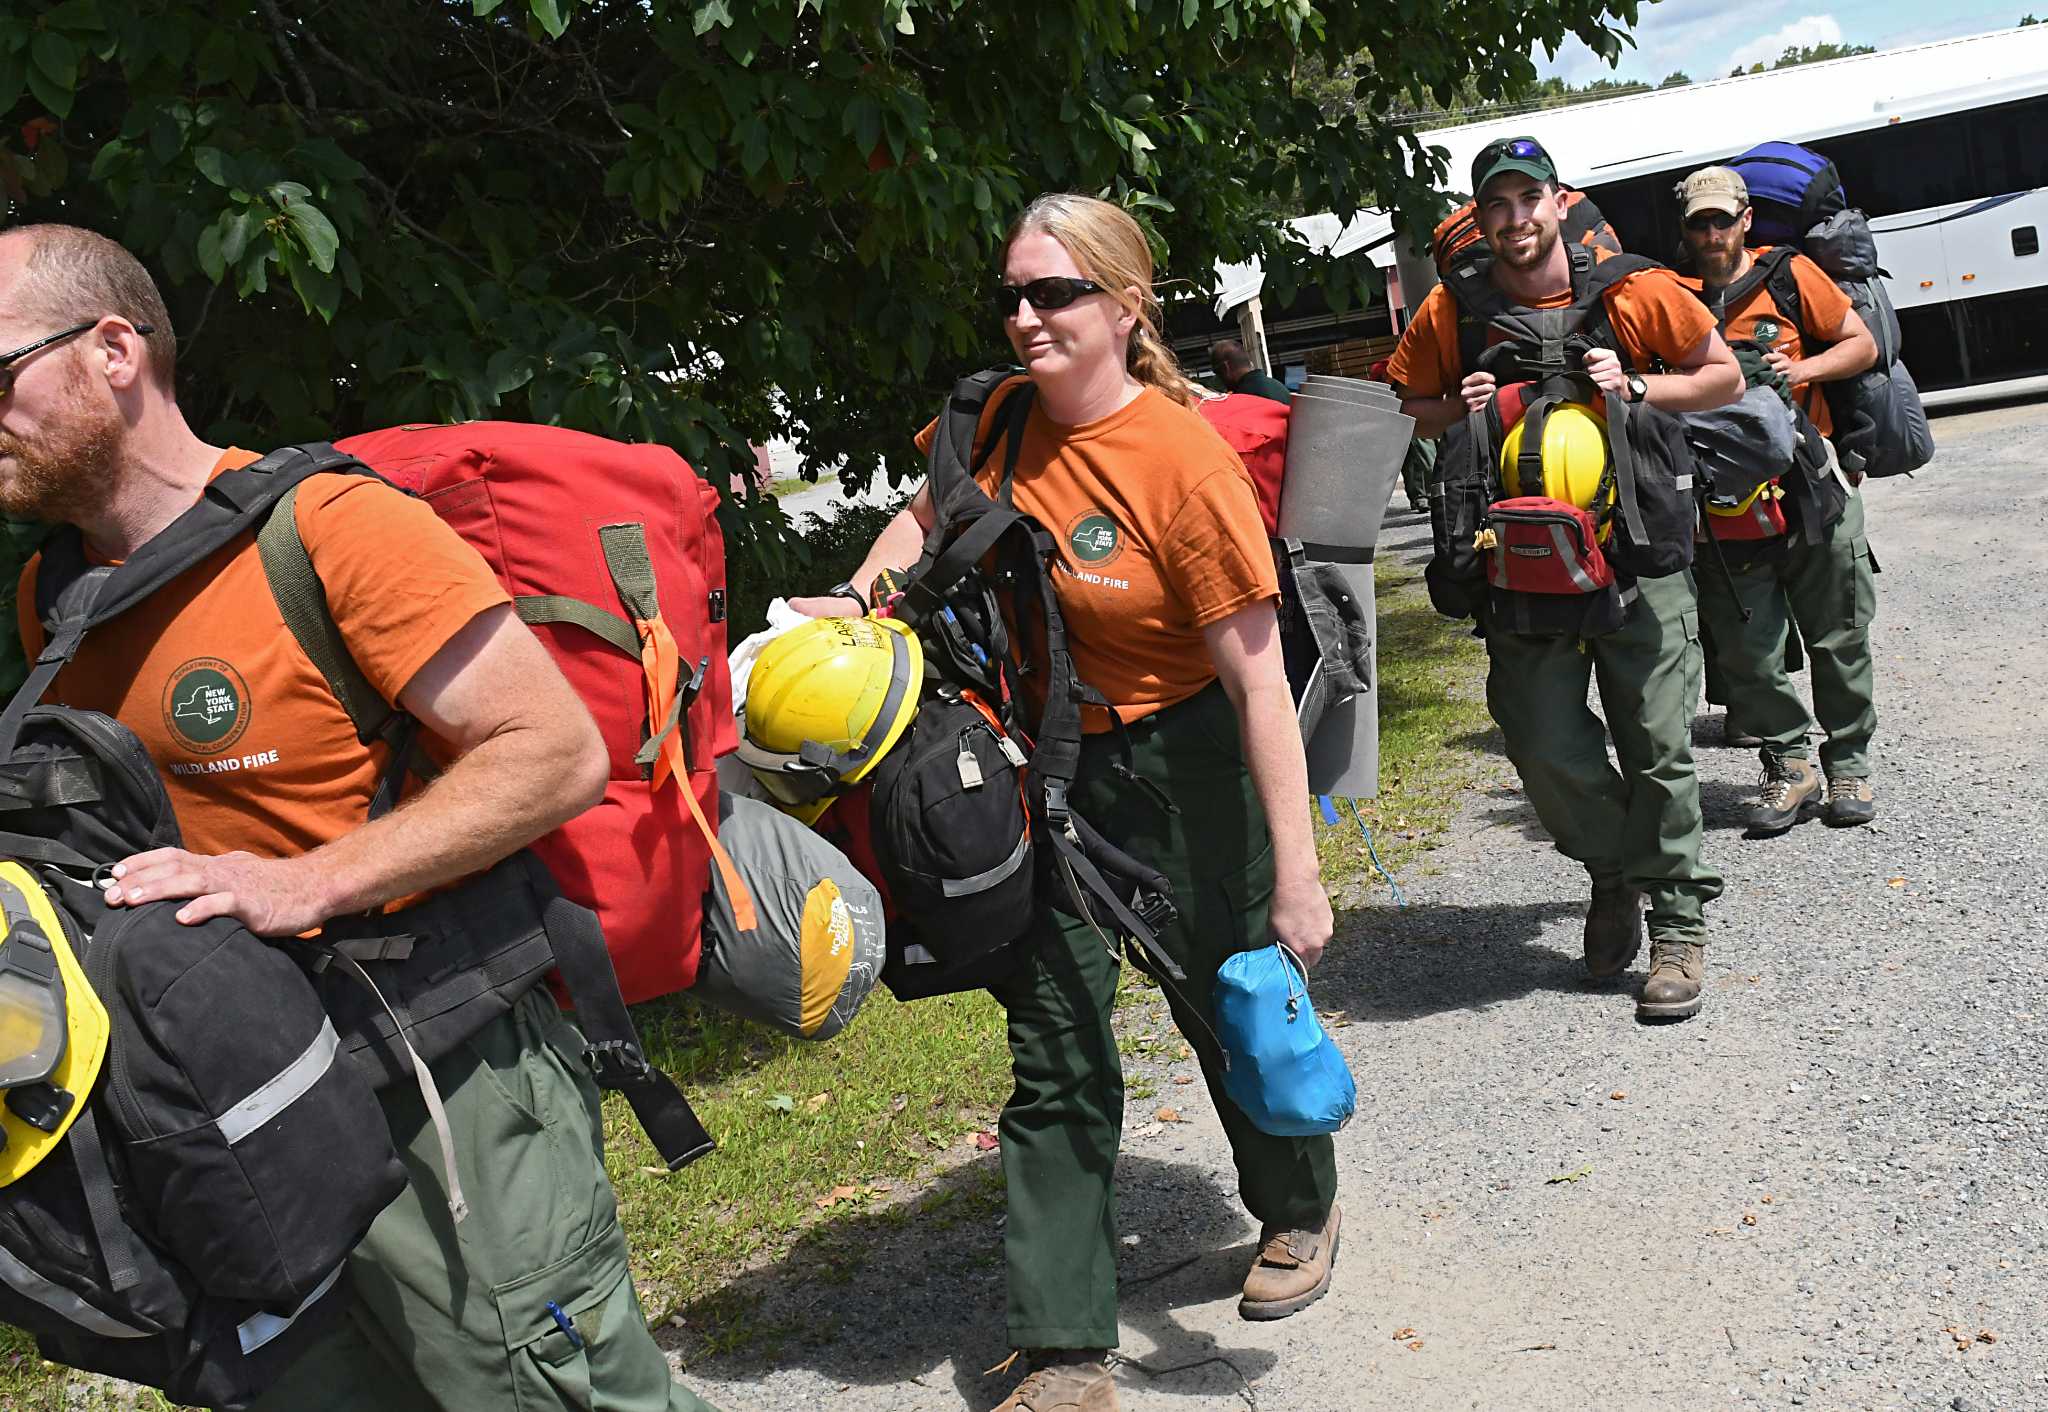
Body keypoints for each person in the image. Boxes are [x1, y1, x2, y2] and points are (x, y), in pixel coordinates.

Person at [0, 223, 720, 1412]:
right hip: (241, 1115)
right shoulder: (54, 600)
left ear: (114, 349)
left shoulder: (326, 527)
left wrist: (307, 879)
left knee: (543, 1397)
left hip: (442, 1076)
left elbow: (554, 750)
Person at [792, 194, 1340, 1411]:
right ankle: (1062, 1344)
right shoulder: (996, 418)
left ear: (1124, 305)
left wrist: (1295, 874)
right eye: (1012, 295)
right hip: (1039, 766)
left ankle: (1300, 1201)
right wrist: (857, 596)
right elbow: (928, 517)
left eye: (1054, 293)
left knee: (1227, 1000)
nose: (1026, 316)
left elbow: (1258, 680)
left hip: (1183, 764)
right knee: (1054, 1046)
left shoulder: (1180, 464)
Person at [1388, 136, 1743, 1022]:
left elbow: (1723, 376)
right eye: (1496, 205)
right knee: (1541, 739)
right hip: (1517, 565)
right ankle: (1614, 870)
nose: (1515, 219)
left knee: (1657, 743)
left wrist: (1636, 386)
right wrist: (1463, 407)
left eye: (1528, 199)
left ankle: (1676, 923)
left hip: (1633, 551)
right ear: (1482, 216)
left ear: (1558, 200)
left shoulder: (1630, 288)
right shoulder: (1452, 310)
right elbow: (1408, 405)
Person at [1675, 165, 1882, 832]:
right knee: (1747, 652)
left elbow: (1862, 344)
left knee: (1838, 634)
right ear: (1686, 231)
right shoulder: (1670, 297)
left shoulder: (1790, 277)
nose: (1712, 233)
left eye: (1721, 219)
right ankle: (1789, 766)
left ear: (1745, 221)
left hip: (1811, 490)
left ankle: (1848, 763)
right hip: (1726, 507)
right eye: (1698, 222)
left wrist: (1803, 369)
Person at [1209, 337, 1293, 403]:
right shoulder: (1279, 387)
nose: (1219, 378)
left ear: (1226, 368)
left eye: (1218, 372)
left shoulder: (1241, 398)